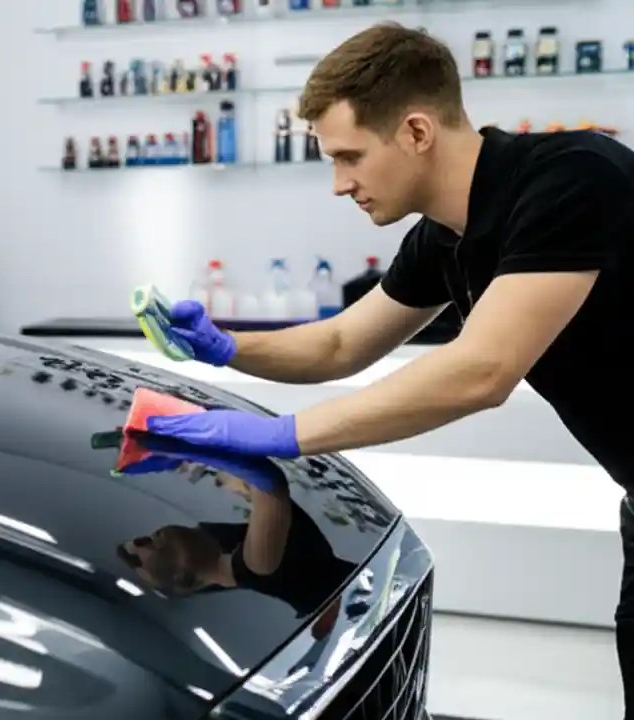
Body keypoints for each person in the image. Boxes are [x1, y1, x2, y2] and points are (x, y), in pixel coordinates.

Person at [140, 20, 634, 715]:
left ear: (417, 132)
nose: (340, 184)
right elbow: (343, 345)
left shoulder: (573, 179)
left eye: (350, 157)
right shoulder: (443, 237)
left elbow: (482, 369)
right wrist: (224, 345)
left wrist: (284, 435)